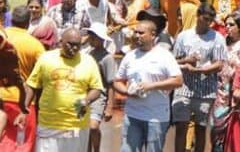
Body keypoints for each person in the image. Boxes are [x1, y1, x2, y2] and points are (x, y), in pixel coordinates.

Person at [19, 28, 103, 152]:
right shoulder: (46, 58)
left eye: (77, 45)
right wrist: (24, 108)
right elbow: (33, 84)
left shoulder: (88, 61)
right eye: (70, 44)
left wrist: (86, 100)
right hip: (49, 124)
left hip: (76, 126)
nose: (73, 48)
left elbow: (96, 88)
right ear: (60, 42)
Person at [113, 20, 183, 152]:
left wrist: (150, 86)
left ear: (152, 35)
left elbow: (178, 81)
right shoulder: (130, 56)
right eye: (136, 32)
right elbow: (117, 81)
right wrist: (128, 92)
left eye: (141, 33)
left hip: (156, 117)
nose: (137, 35)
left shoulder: (164, 56)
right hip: (132, 115)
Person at [172, 4, 226, 152]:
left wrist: (197, 70)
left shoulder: (217, 38)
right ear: (198, 15)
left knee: (201, 128)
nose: (207, 23)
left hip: (205, 91)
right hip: (183, 88)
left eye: (210, 20)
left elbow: (219, 64)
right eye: (205, 19)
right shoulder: (184, 36)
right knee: (181, 127)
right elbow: (173, 60)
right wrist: (187, 61)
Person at [0, 6, 44, 152]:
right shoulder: (35, 45)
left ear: (11, 20)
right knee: (22, 144)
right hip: (25, 103)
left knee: (0, 140)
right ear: (28, 23)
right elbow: (41, 76)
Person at [212, 12, 240, 152]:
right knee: (216, 124)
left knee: (235, 126)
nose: (228, 27)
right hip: (219, 89)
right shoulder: (221, 41)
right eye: (226, 24)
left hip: (236, 89)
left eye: (232, 24)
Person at [81, 23, 117, 152]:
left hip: (99, 96)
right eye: (90, 36)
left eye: (94, 37)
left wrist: (110, 106)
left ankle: (96, 149)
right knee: (84, 128)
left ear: (101, 39)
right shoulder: (87, 54)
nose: (91, 39)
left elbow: (111, 83)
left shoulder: (107, 58)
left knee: (93, 126)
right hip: (85, 95)